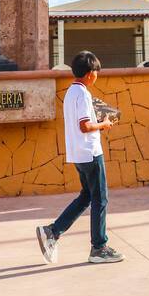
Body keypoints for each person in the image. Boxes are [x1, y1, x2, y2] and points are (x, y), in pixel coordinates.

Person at [36, 51, 123, 264]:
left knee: (86, 197)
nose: (97, 75)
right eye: (96, 72)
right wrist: (105, 124)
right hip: (90, 152)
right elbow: (84, 125)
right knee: (100, 199)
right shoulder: (83, 94)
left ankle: (53, 231)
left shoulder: (71, 93)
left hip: (78, 154)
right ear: (90, 73)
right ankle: (99, 247)